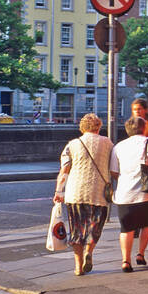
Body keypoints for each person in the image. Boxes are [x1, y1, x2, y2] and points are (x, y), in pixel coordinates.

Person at [53, 114, 113, 277]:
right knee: (96, 225)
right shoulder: (107, 143)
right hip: (99, 192)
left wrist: (59, 191)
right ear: (99, 127)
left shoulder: (72, 145)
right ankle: (90, 250)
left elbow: (64, 171)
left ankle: (78, 267)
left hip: (75, 192)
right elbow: (114, 167)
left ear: (82, 128)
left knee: (77, 229)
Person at [109, 116, 148, 272]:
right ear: (144, 128)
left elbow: (114, 172)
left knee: (126, 228)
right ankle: (140, 254)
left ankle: (125, 261)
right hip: (147, 193)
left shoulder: (118, 147)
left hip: (124, 194)